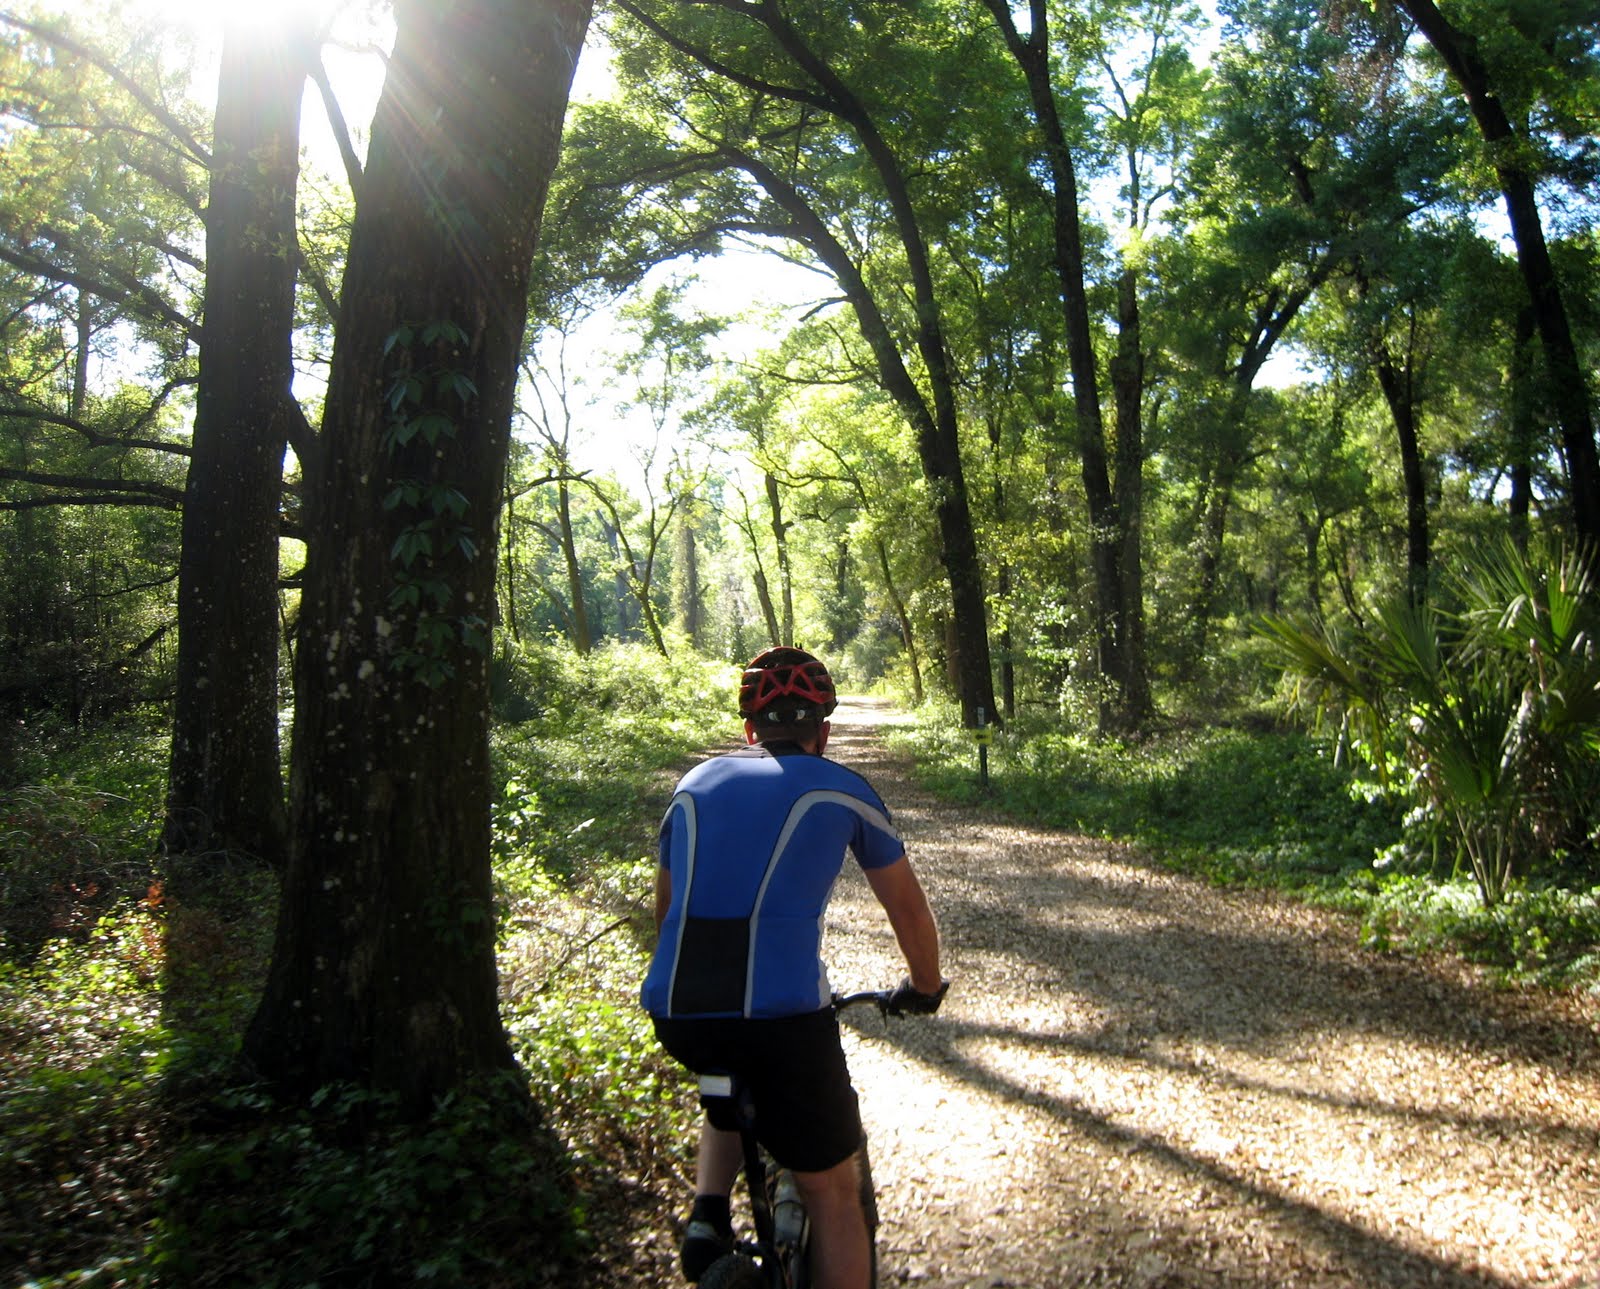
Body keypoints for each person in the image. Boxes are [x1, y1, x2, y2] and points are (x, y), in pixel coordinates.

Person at [641, 646, 948, 1289]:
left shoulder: (692, 785)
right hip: (784, 1020)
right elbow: (908, 911)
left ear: (749, 731)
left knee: (729, 1074)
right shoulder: (844, 789)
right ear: (823, 733)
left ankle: (707, 1213)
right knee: (832, 1191)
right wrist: (924, 986)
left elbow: (666, 911)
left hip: (678, 1009)